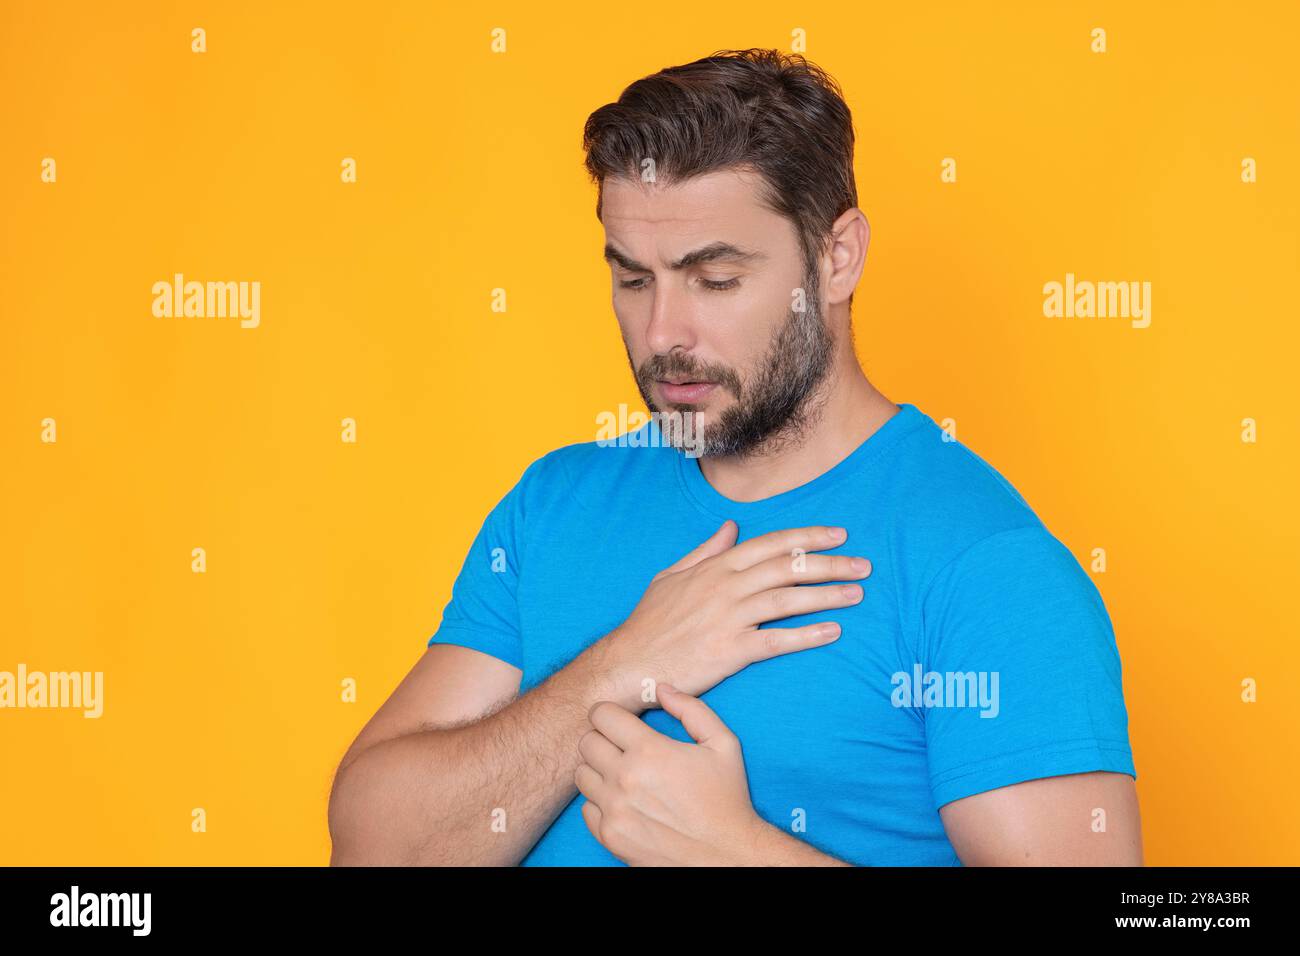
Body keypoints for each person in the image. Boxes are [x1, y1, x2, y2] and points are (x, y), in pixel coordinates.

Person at [328, 48, 1141, 866]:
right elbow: (374, 847)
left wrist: (737, 852)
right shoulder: (555, 505)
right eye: (633, 279)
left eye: (714, 279)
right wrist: (620, 665)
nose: (661, 335)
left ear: (836, 258)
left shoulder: (983, 564)